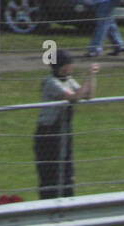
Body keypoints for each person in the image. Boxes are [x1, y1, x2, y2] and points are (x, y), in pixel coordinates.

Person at [34, 51, 99, 200]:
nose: (71, 69)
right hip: (48, 132)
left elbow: (88, 94)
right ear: (61, 67)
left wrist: (92, 76)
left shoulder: (67, 79)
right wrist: (87, 76)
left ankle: (68, 201)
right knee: (50, 171)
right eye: (68, 66)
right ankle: (49, 202)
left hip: (63, 130)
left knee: (67, 170)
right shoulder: (51, 82)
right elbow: (75, 98)